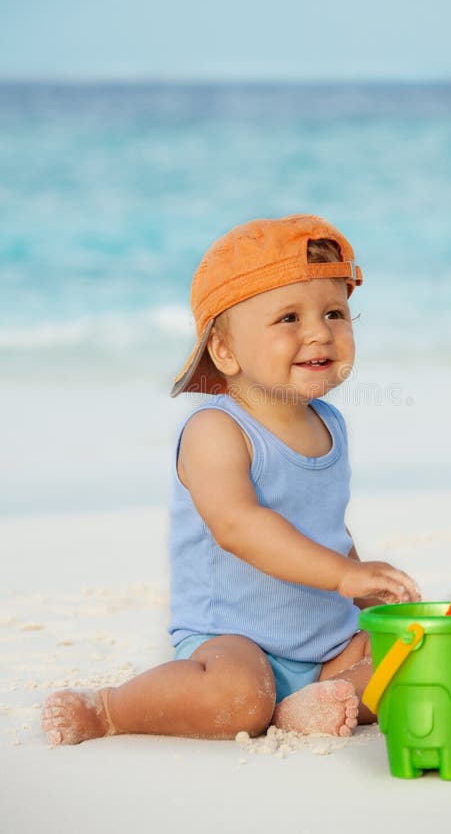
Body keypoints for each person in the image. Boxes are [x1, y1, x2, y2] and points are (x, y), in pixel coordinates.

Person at [41, 214, 420, 746]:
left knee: (409, 654)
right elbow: (237, 525)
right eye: (288, 317)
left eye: (335, 312)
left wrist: (364, 592)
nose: (319, 331)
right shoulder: (216, 431)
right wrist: (340, 575)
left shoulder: (329, 425)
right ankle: (109, 709)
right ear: (225, 351)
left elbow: (326, 529)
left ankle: (303, 708)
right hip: (232, 641)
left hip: (325, 643)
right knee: (239, 697)